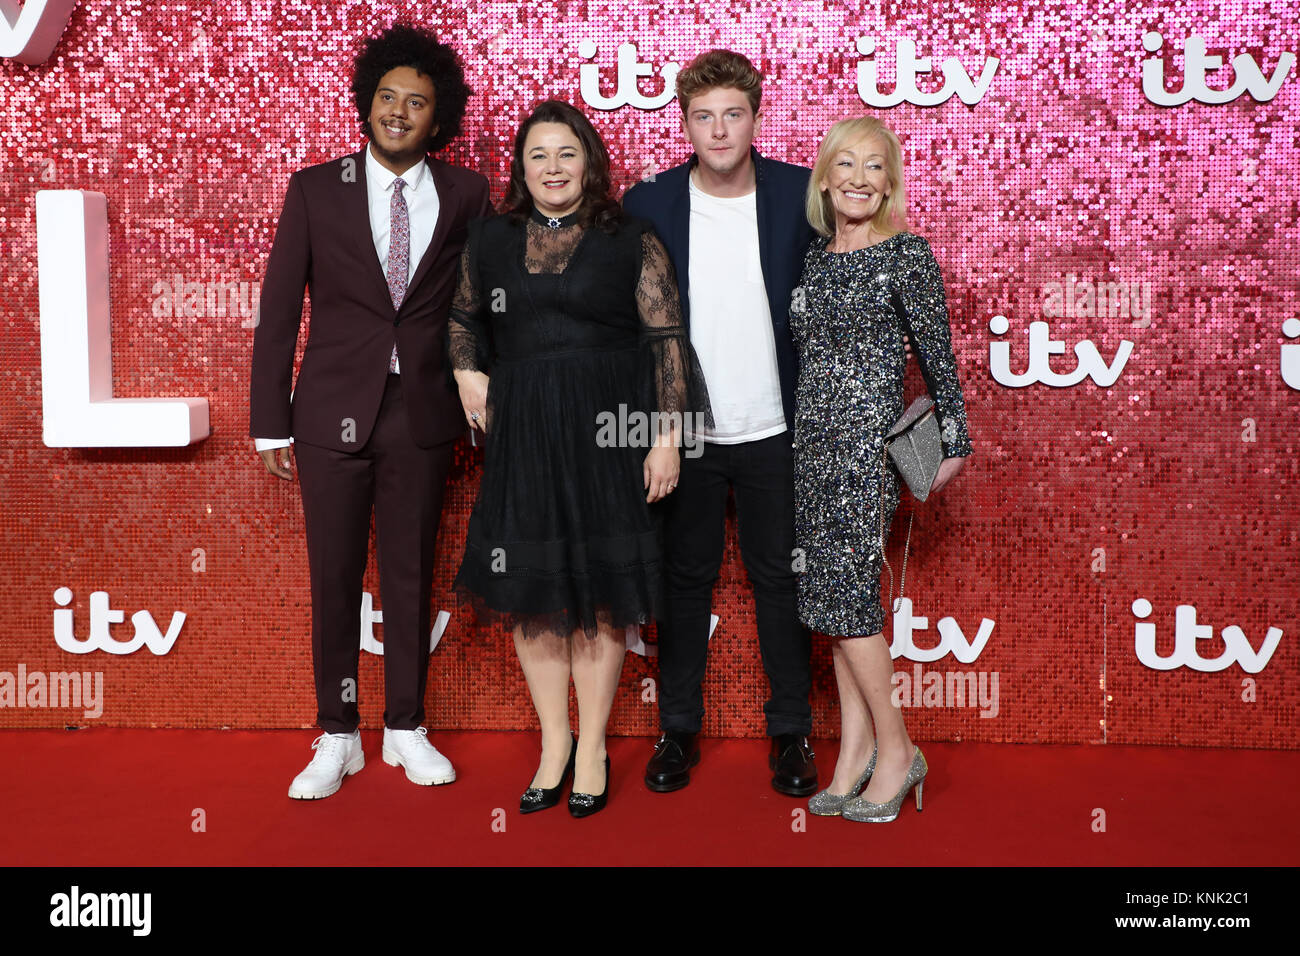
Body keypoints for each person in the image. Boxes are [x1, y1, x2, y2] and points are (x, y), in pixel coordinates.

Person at [448, 99, 710, 818]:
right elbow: (464, 319)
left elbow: (666, 341)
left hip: (607, 436)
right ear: (521, 167)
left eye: (567, 153)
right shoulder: (489, 241)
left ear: (588, 162)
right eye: (539, 155)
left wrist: (663, 435)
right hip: (524, 436)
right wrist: (468, 370)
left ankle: (592, 746)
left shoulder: (631, 236)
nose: (553, 168)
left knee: (598, 596)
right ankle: (554, 743)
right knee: (535, 596)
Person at [250, 25, 490, 799]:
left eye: (416, 103)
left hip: (420, 410)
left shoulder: (466, 194)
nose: (398, 112)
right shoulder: (316, 187)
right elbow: (280, 308)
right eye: (387, 97)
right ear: (367, 103)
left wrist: (486, 386)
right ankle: (339, 733)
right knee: (335, 575)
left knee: (411, 573)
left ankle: (407, 729)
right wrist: (269, 418)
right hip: (328, 413)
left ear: (437, 118)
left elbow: (477, 306)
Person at [622, 50, 819, 795]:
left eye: (732, 114)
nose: (719, 129)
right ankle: (677, 732)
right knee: (684, 582)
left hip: (779, 428)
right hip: (687, 433)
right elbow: (634, 325)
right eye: (703, 116)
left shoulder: (802, 194)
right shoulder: (651, 203)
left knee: (780, 581)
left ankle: (791, 734)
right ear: (685, 122)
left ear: (755, 117)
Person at [792, 116, 972, 822]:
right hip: (812, 449)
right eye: (847, 165)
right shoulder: (814, 260)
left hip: (868, 454)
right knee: (841, 608)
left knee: (849, 602)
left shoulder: (907, 256)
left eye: (875, 167)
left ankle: (897, 753)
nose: (860, 179)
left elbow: (940, 362)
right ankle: (851, 759)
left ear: (889, 182)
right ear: (827, 178)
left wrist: (951, 447)